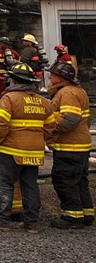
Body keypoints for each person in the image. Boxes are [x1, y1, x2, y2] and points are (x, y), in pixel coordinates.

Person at [0, 62, 57, 233]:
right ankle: (31, 223)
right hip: (34, 152)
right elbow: (51, 129)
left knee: (5, 184)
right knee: (30, 185)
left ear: (13, 80)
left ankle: (1, 220)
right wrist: (40, 141)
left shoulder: (9, 99)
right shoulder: (44, 102)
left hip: (10, 151)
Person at [45, 62, 92, 229]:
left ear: (61, 78)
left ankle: (72, 217)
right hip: (80, 146)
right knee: (79, 181)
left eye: (52, 75)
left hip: (69, 147)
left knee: (64, 181)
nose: (50, 78)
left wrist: (50, 128)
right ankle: (86, 214)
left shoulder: (67, 93)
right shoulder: (78, 91)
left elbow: (70, 120)